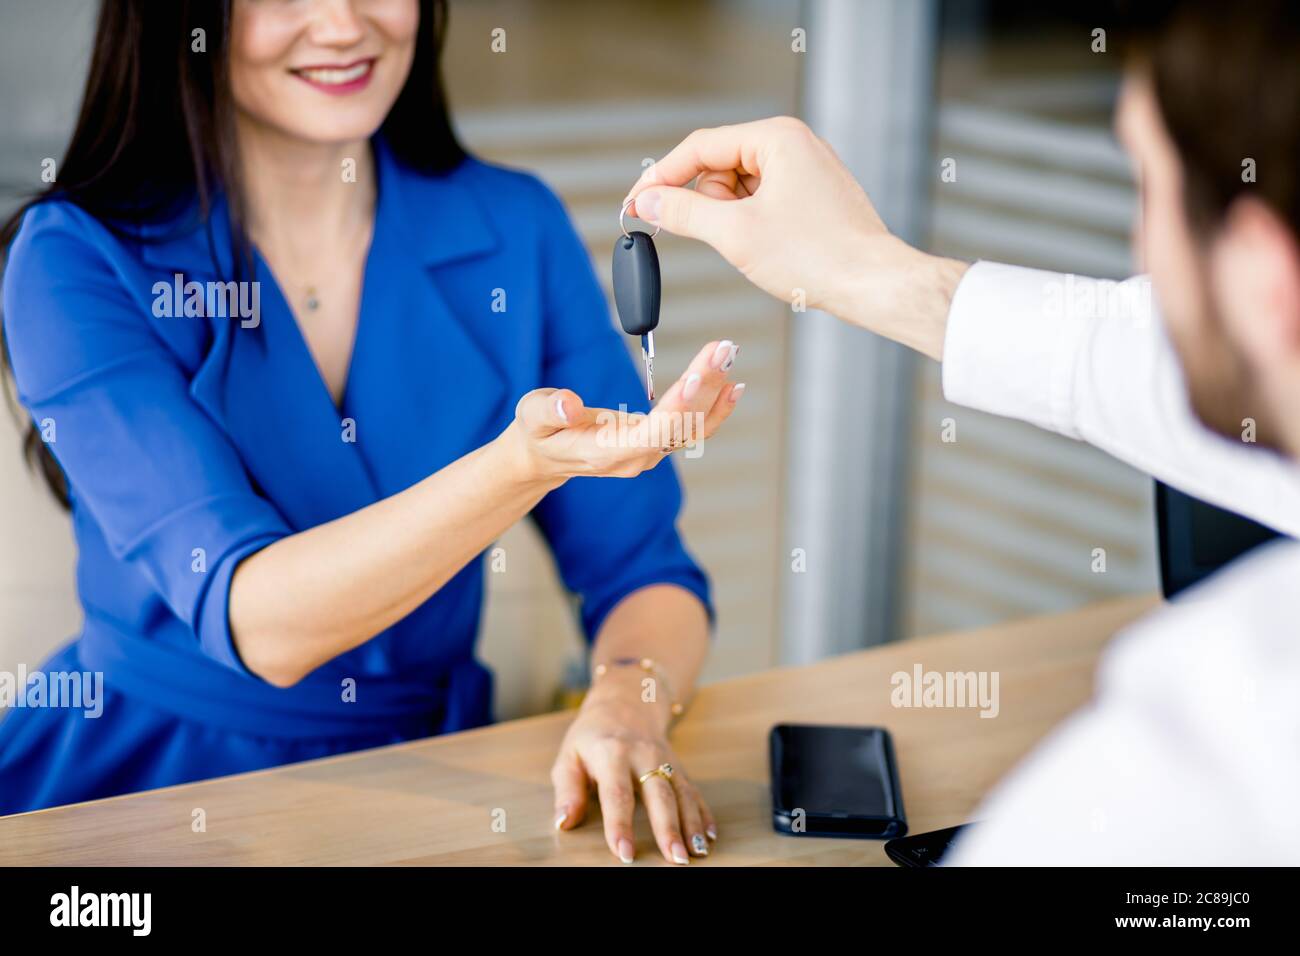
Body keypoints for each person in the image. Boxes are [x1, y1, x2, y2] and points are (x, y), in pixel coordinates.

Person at [0, 0, 745, 867]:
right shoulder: (75, 261)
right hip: (144, 791)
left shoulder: (514, 229)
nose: (344, 22)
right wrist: (517, 468)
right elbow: (259, 622)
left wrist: (627, 701)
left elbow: (645, 571)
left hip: (436, 778)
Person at [623, 0, 1300, 863]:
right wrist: (865, 271)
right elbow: (1127, 354)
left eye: (1146, 192)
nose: (1139, 263)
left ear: (1264, 277)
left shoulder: (1215, 749)